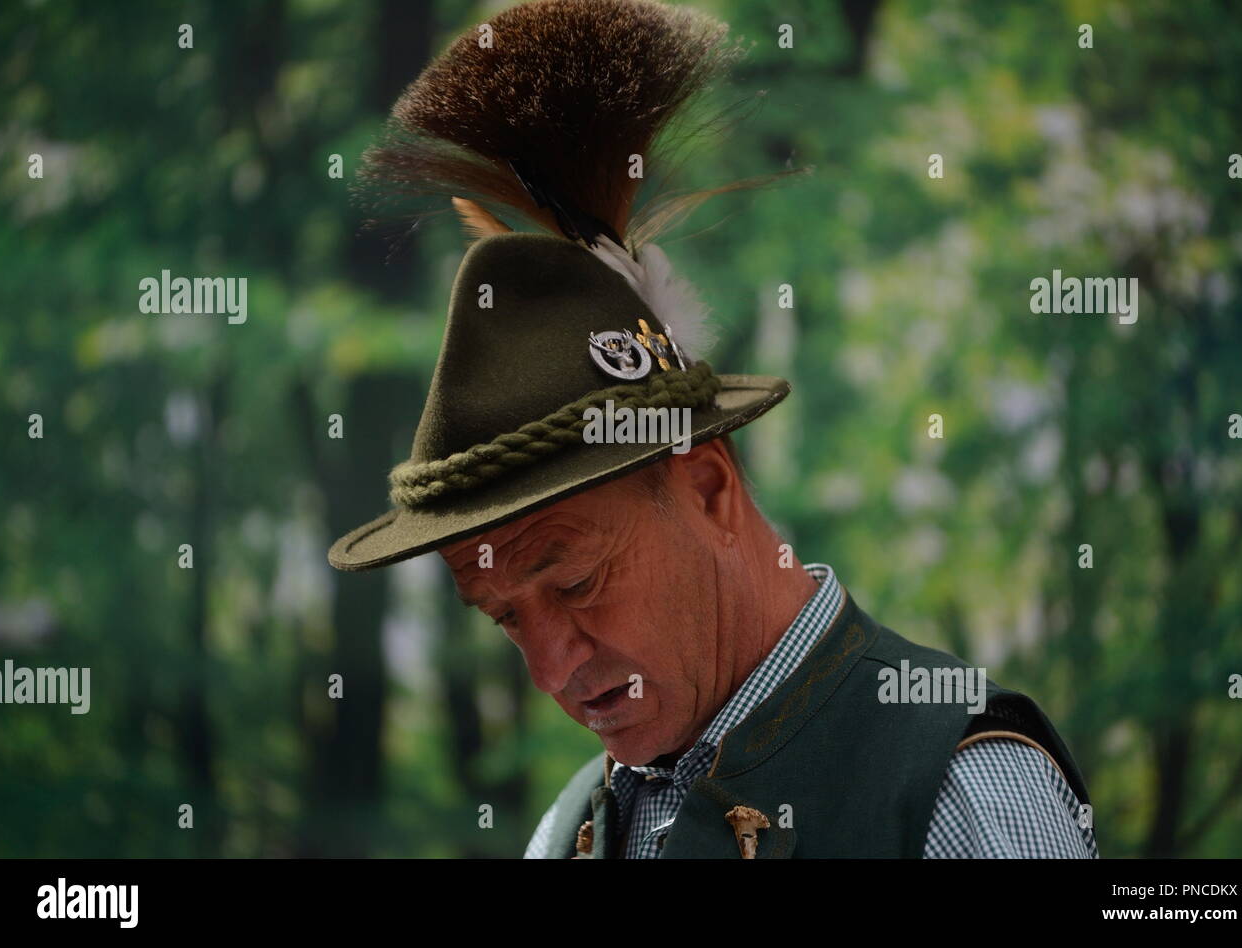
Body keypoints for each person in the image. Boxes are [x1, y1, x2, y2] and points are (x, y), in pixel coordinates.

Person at [328, 0, 1097, 859]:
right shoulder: (572, 830)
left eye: (576, 583)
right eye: (506, 616)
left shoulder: (960, 793)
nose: (550, 670)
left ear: (708, 486)